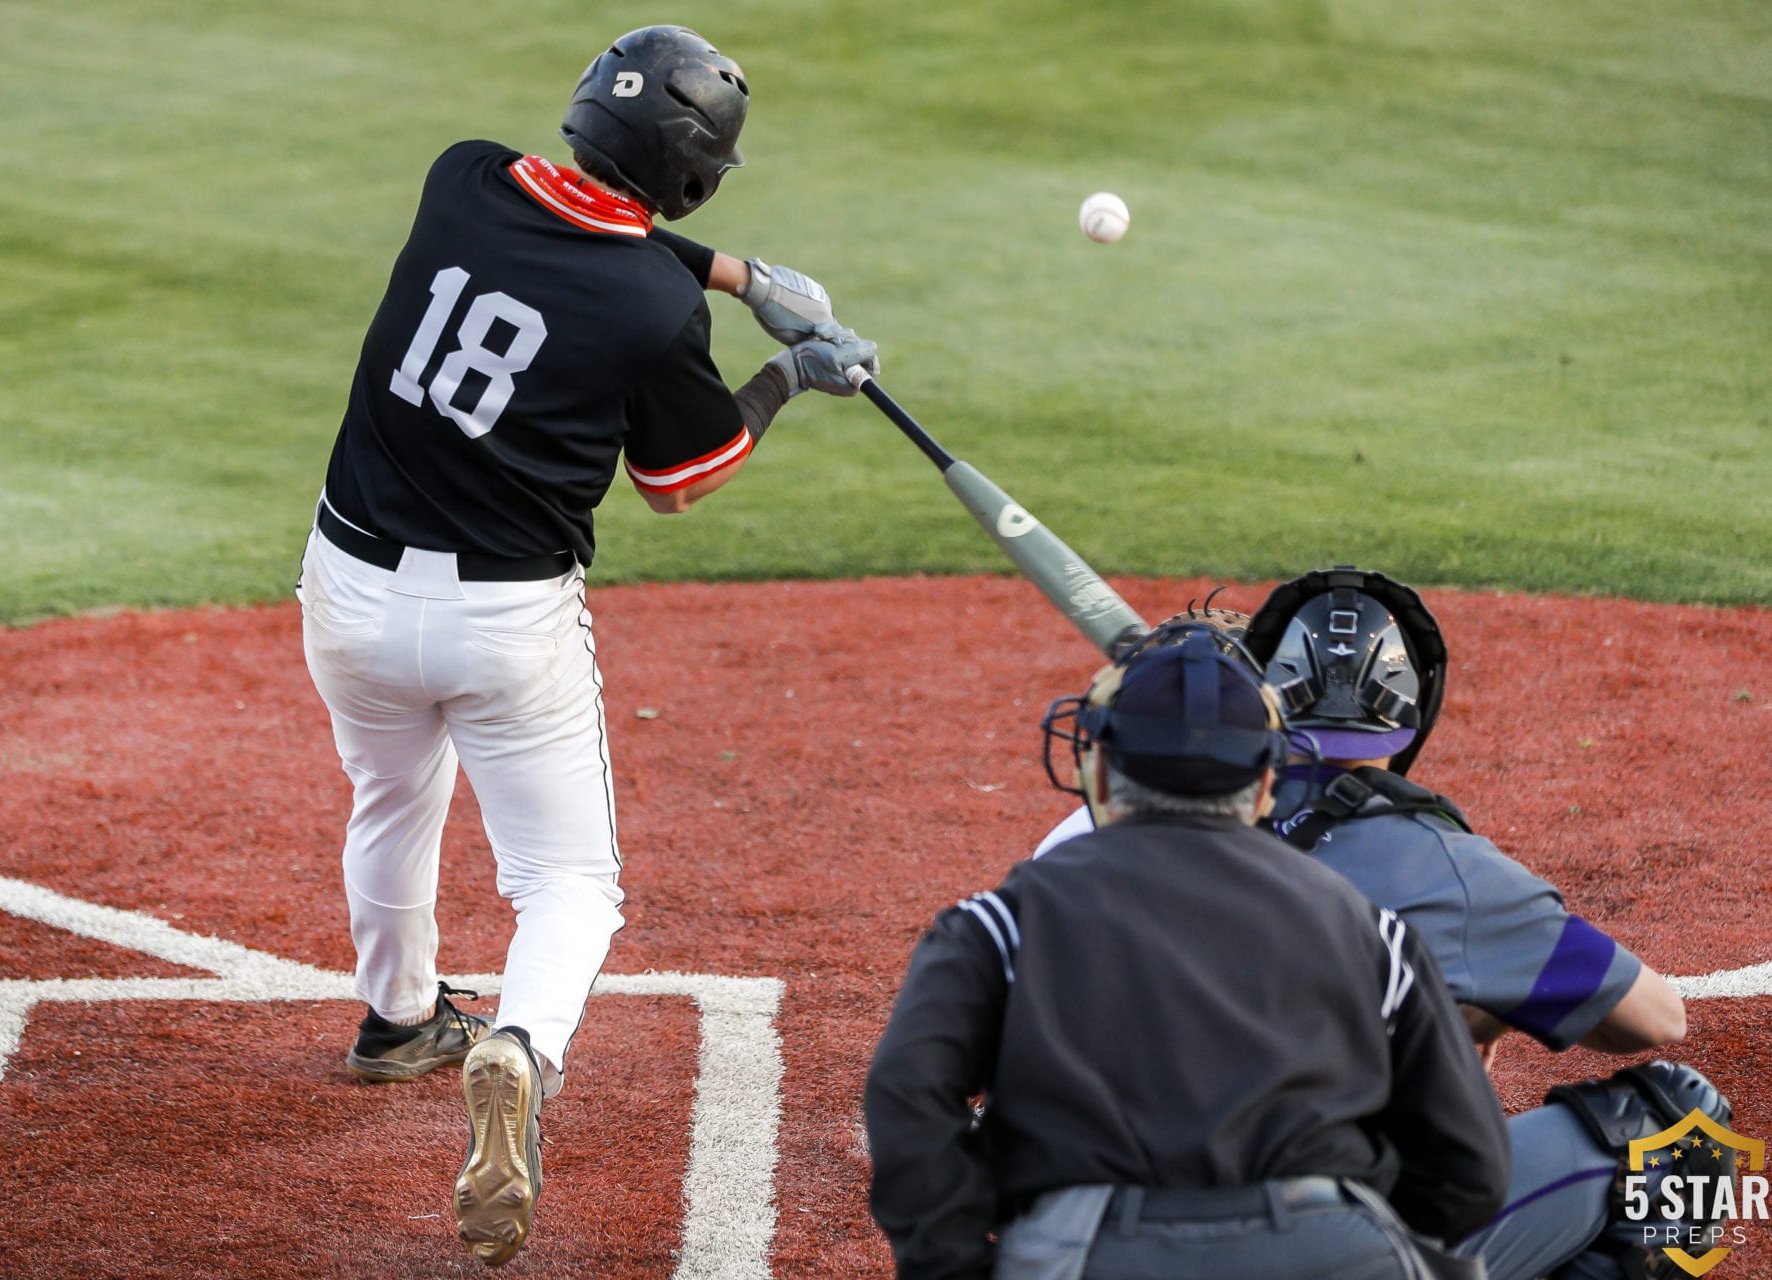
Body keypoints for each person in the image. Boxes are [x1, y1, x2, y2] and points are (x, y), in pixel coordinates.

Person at [294, 24, 878, 1266]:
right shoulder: (654, 310)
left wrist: (732, 272)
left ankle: (400, 1018)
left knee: (392, 793)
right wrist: (785, 369)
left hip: (347, 587)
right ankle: (523, 1042)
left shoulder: (459, 176)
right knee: (569, 882)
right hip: (507, 627)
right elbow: (685, 476)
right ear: (693, 177)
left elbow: (570, 223)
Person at [1035, 568, 1729, 1280]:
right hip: (1310, 1247)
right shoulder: (1444, 867)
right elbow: (1653, 1019)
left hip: (1099, 1241)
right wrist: (1480, 1010)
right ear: (1412, 708)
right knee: (1682, 1128)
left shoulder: (1104, 834)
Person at [866, 621, 1510, 1280]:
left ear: (1104, 776)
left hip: (1093, 1251)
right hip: (1333, 1248)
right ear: (1265, 785)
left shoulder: (1005, 922)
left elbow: (906, 1094)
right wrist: (1352, 1226)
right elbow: (1470, 1172)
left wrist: (952, 1265)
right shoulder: (1368, 929)